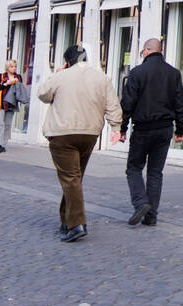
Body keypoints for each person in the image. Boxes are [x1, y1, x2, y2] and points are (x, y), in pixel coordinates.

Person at [37, 45, 123, 243]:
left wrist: (56, 74)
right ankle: (66, 220)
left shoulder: (62, 76)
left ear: (68, 61)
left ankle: (76, 224)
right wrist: (116, 127)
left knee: (71, 178)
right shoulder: (102, 77)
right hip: (90, 133)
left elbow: (43, 94)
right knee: (74, 178)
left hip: (63, 133)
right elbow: (112, 104)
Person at [118, 38, 183, 227]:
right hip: (165, 129)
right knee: (155, 172)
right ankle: (151, 216)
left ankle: (140, 202)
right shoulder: (173, 73)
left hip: (143, 129)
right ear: (160, 51)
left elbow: (128, 103)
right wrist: (181, 129)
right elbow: (180, 103)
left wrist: (121, 128)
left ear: (146, 51)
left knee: (134, 168)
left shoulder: (137, 73)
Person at [0, 60, 23, 153]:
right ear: (7, 67)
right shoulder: (0, 76)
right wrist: (7, 83)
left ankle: (3, 144)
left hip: (11, 103)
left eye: (15, 66)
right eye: (12, 66)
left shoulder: (18, 77)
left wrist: (17, 83)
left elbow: (20, 90)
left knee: (8, 125)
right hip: (0, 103)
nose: (14, 68)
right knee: (0, 123)